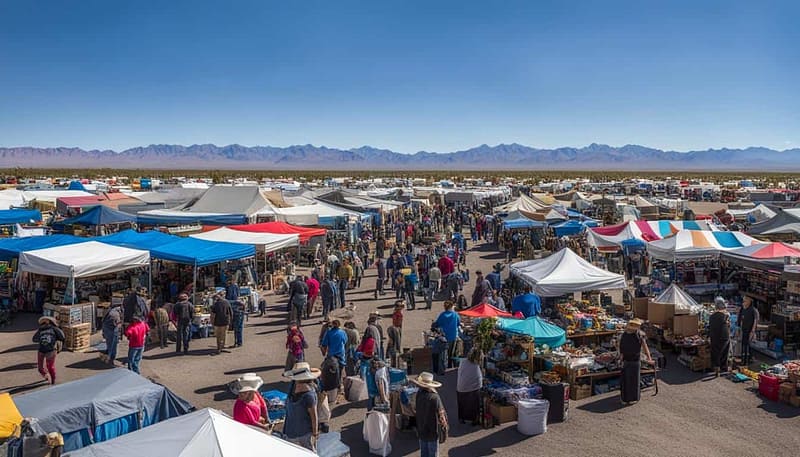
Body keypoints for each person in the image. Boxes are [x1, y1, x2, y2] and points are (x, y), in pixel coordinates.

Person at [283, 362, 321, 452]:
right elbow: (313, 416)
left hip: (296, 431)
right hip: (297, 431)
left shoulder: (298, 389)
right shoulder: (306, 393)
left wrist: (315, 432)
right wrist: (315, 433)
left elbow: (314, 416)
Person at [413, 372, 448, 457]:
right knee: (433, 454)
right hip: (432, 432)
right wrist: (445, 428)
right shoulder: (435, 397)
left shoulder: (419, 394)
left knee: (424, 453)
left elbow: (415, 409)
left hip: (421, 430)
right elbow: (442, 415)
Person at [618, 318, 653, 405]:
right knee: (634, 380)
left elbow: (621, 349)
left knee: (626, 380)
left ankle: (625, 399)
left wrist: (620, 359)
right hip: (635, 361)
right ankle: (633, 398)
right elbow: (645, 348)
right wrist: (649, 358)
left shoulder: (624, 335)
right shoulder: (639, 335)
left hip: (627, 360)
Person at [32, 316, 64, 384]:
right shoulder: (40, 330)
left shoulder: (54, 329)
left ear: (50, 322)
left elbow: (62, 337)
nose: (45, 324)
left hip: (51, 350)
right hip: (41, 350)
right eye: (43, 322)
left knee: (50, 367)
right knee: (40, 368)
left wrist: (55, 339)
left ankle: (53, 380)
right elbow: (34, 339)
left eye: (46, 322)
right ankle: (46, 376)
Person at [457, 348, 483, 425]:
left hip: (461, 386)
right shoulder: (475, 365)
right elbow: (477, 377)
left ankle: (461, 418)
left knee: (462, 403)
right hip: (473, 388)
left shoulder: (463, 361)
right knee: (474, 405)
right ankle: (475, 420)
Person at [318, 355, 342, 433]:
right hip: (333, 389)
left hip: (325, 388)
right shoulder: (335, 365)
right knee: (329, 405)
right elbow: (338, 379)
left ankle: (323, 422)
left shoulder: (326, 364)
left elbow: (322, 375)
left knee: (322, 406)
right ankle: (325, 421)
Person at [435, 301, 461, 369]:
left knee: (445, 352)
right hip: (453, 336)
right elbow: (458, 323)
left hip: (445, 337)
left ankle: (446, 366)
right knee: (453, 352)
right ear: (451, 307)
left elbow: (437, 324)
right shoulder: (455, 314)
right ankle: (452, 366)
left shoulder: (442, 315)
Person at [709, 297, 731, 377]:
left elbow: (710, 327)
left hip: (714, 337)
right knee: (725, 351)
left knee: (716, 352)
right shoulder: (726, 315)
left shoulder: (712, 316)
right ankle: (724, 367)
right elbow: (728, 325)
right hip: (724, 336)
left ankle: (717, 369)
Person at [738, 296, 759, 366]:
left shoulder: (753, 310)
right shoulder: (743, 309)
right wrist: (739, 328)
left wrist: (752, 332)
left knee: (748, 346)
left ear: (749, 301)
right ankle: (743, 360)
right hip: (744, 330)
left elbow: (755, 321)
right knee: (744, 345)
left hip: (750, 331)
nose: (743, 302)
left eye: (745, 301)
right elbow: (740, 319)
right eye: (743, 301)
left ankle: (748, 361)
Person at [387, 302, 403, 367]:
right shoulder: (397, 313)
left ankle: (397, 350)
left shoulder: (398, 313)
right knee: (396, 341)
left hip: (397, 327)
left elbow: (399, 322)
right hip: (396, 327)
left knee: (397, 341)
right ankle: (397, 350)